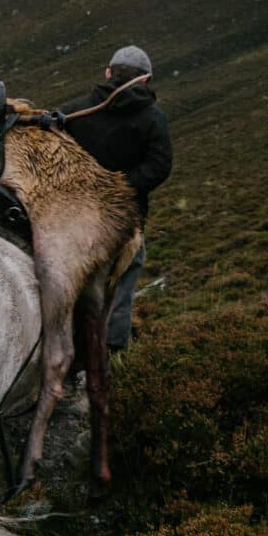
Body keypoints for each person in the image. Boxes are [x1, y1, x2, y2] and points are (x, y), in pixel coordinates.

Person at [57, 45, 172, 350]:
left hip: (73, 220)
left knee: (72, 284)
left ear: (108, 73)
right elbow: (160, 165)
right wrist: (121, 188)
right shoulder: (152, 118)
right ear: (145, 80)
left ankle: (67, 354)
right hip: (125, 222)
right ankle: (109, 356)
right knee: (120, 284)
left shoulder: (74, 110)